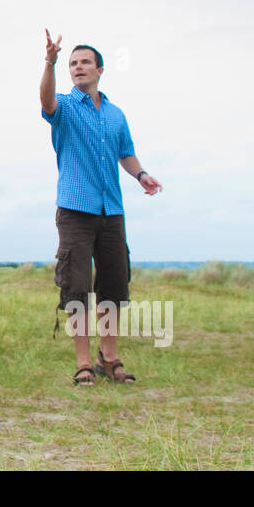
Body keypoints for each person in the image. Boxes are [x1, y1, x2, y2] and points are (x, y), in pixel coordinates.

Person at [39, 30, 161, 386]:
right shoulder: (63, 107)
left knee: (113, 287)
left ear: (100, 70)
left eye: (85, 62)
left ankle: (109, 359)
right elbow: (45, 101)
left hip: (112, 211)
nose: (78, 68)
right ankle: (82, 364)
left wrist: (141, 174)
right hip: (76, 210)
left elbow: (125, 151)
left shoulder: (116, 114)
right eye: (73, 63)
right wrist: (50, 62)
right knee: (77, 289)